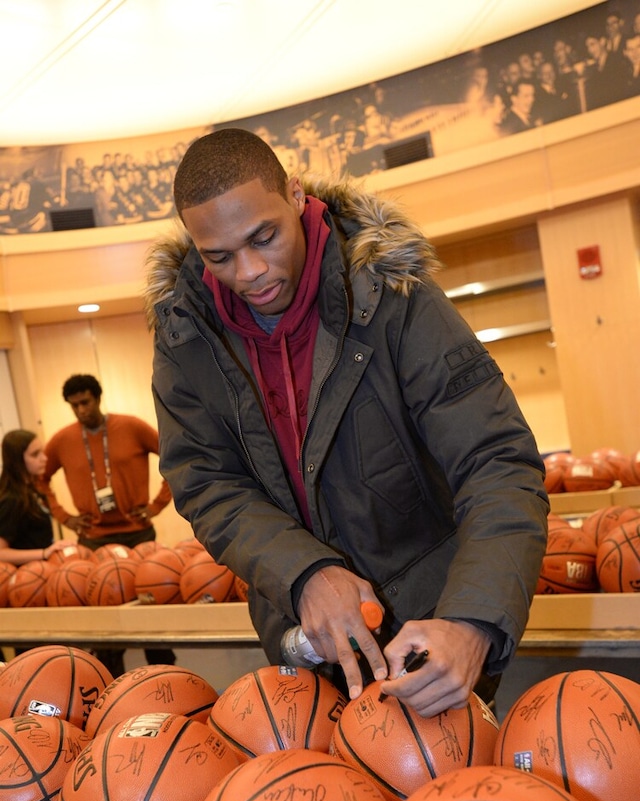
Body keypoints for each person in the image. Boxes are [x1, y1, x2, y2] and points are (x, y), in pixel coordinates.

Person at [146, 128, 549, 717]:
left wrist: (472, 621)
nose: (250, 272)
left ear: (295, 195)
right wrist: (304, 574)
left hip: (429, 628)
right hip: (302, 642)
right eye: (219, 256)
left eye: (264, 237)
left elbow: (496, 460)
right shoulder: (185, 338)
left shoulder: (394, 294)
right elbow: (208, 484)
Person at [38, 374, 175, 674]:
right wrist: (65, 517)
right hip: (94, 539)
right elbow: (39, 479)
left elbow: (174, 456)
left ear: (98, 398)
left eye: (85, 402)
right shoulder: (62, 440)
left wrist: (157, 505)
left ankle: (164, 673)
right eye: (74, 406)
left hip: (138, 534)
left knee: (150, 609)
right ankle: (107, 678)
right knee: (103, 618)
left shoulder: (131, 427)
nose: (81, 410)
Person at [0, 429, 75, 567]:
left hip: (44, 569)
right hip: (26, 574)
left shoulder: (33, 490)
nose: (44, 458)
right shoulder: (12, 500)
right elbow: (1, 552)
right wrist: (44, 553)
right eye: (35, 454)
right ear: (17, 460)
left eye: (42, 451)